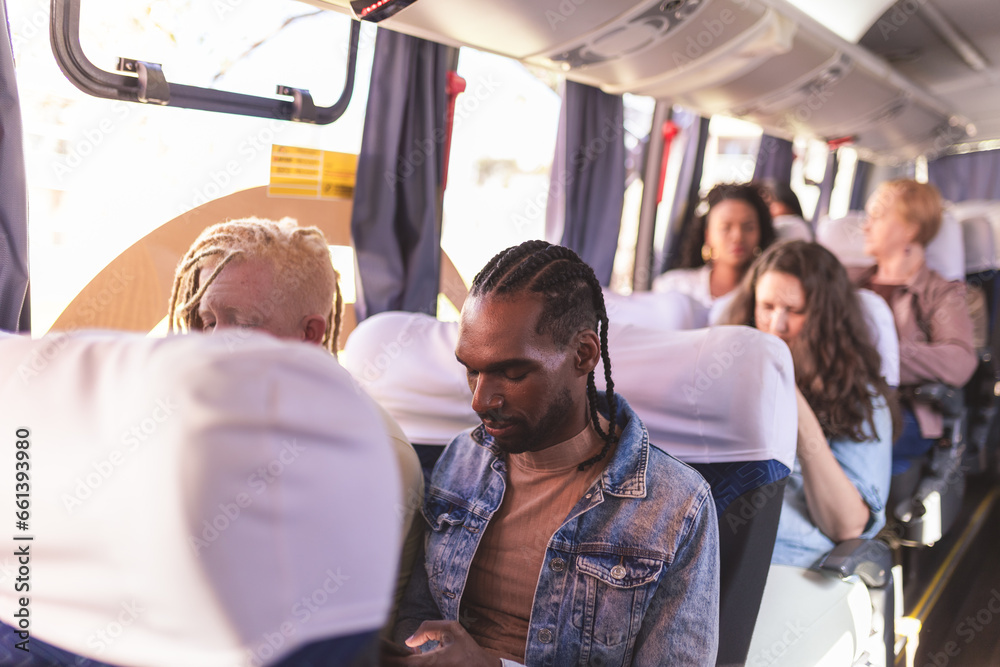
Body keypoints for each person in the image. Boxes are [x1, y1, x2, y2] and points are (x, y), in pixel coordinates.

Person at [389, 240, 720, 666]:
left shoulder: (676, 507)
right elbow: (417, 616)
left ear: (584, 354)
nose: (480, 400)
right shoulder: (462, 460)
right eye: (472, 369)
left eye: (512, 372)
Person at [167, 217, 424, 630]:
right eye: (208, 321)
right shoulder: (220, 409)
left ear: (309, 333)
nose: (214, 345)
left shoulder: (372, 453)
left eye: (244, 323)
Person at [725, 241, 893, 567]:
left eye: (795, 311)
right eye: (767, 307)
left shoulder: (861, 400)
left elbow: (847, 525)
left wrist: (793, 403)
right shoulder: (727, 372)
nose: (777, 326)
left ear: (825, 319)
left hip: (787, 562)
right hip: (711, 544)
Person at [854, 180, 977, 475]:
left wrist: (884, 356)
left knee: (844, 439)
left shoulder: (941, 292)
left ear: (909, 228)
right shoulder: (848, 282)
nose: (865, 227)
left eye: (877, 216)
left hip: (905, 410)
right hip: (845, 399)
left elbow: (960, 360)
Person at [652, 182, 776, 310]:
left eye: (748, 228)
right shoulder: (674, 287)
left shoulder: (767, 297)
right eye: (725, 228)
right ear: (707, 235)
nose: (738, 236)